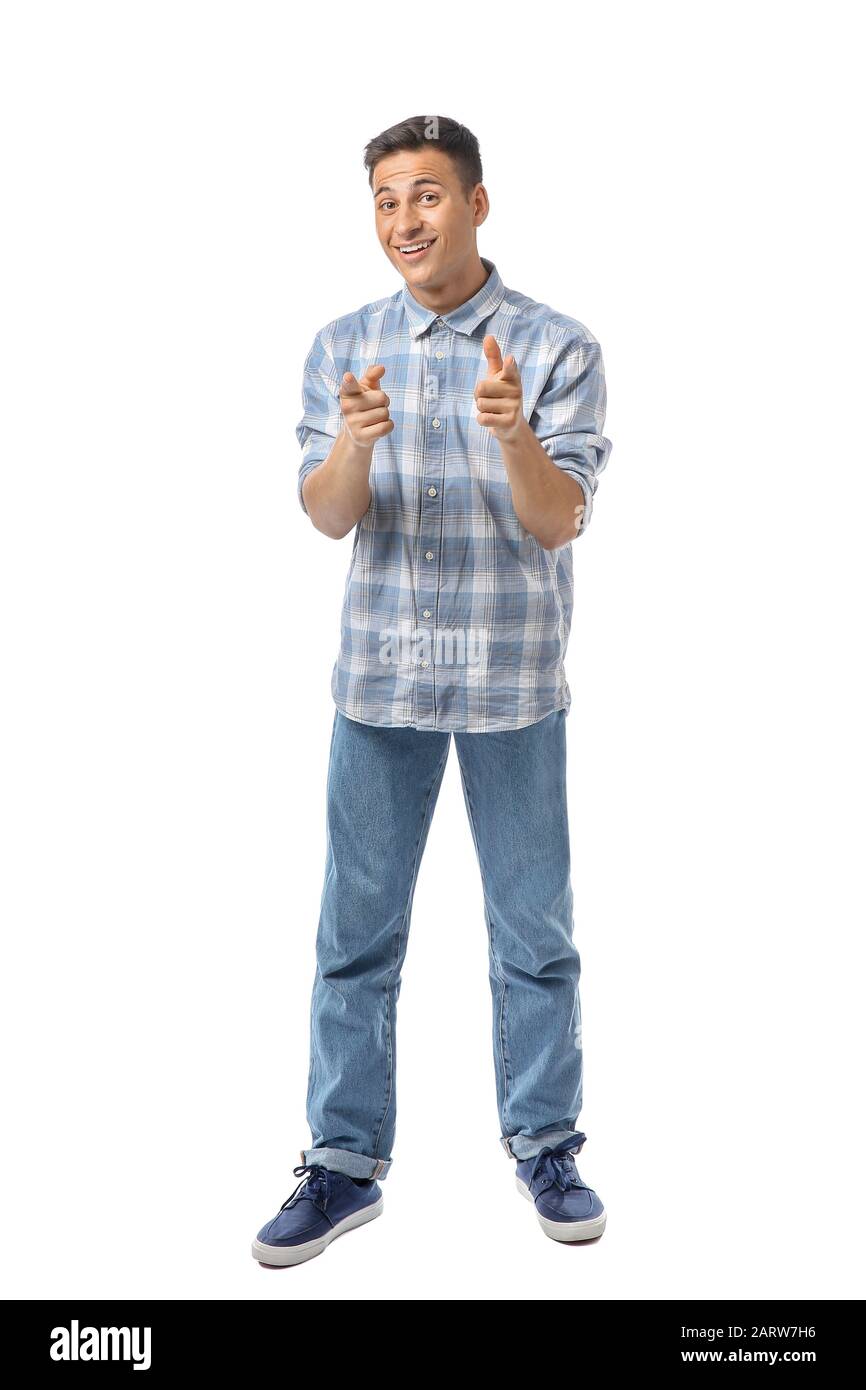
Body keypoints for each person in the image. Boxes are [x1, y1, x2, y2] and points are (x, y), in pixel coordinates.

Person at [252, 115, 613, 1267]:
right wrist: (355, 441)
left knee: (533, 933)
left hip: (513, 682)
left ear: (477, 203)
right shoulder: (343, 344)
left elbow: (558, 516)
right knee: (354, 936)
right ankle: (344, 1164)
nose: (403, 222)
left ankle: (545, 1144)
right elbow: (326, 512)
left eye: (425, 197)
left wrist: (512, 437)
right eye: (384, 202)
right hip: (380, 682)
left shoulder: (556, 346)